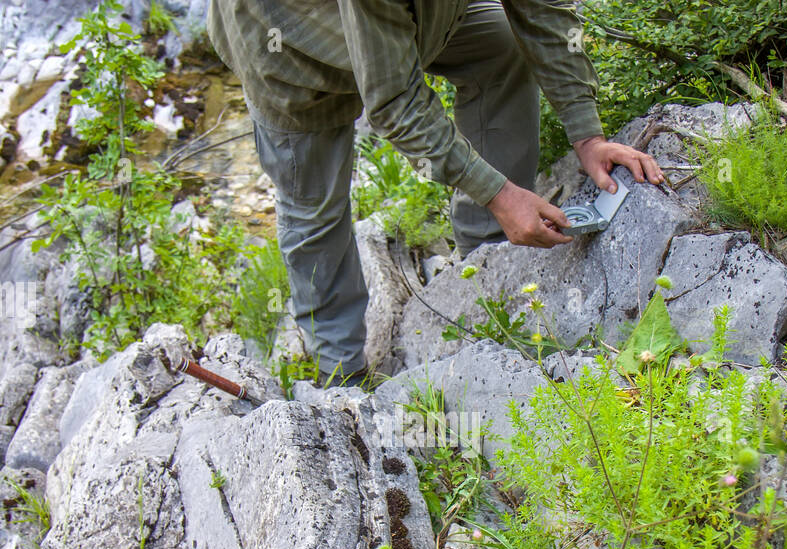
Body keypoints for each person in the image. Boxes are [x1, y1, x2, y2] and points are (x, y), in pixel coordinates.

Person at [207, 0, 664, 385]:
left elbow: (541, 9)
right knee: (315, 208)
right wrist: (499, 192)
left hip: (413, 18)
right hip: (289, 42)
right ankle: (342, 378)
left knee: (499, 43)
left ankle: (488, 259)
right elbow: (394, 103)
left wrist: (587, 135)